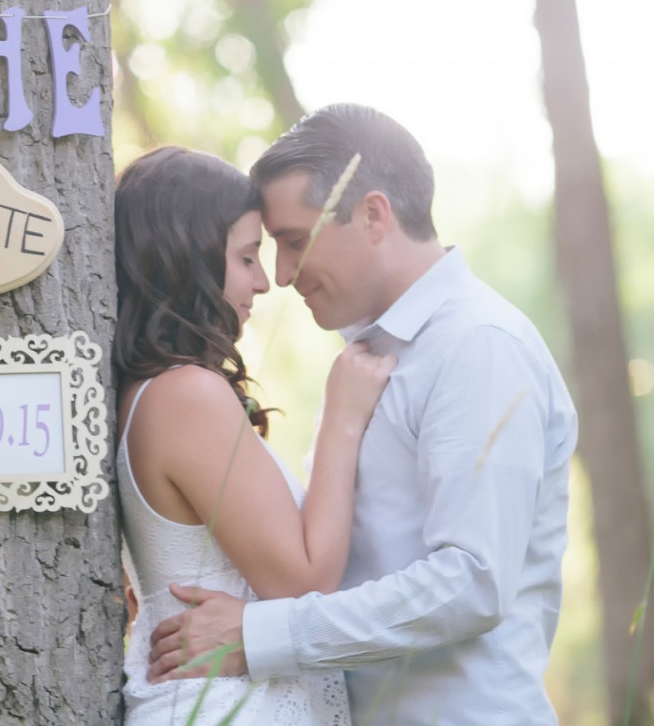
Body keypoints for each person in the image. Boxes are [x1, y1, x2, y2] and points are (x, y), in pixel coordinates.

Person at [146, 104, 578, 725]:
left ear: (374, 215)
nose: (284, 275)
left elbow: (472, 582)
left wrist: (257, 635)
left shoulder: (478, 345)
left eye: (295, 242)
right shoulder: (368, 358)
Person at [113, 145, 395, 724]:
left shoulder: (154, 389)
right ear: (186, 260)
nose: (265, 282)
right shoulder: (184, 394)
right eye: (246, 258)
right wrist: (340, 418)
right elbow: (303, 579)